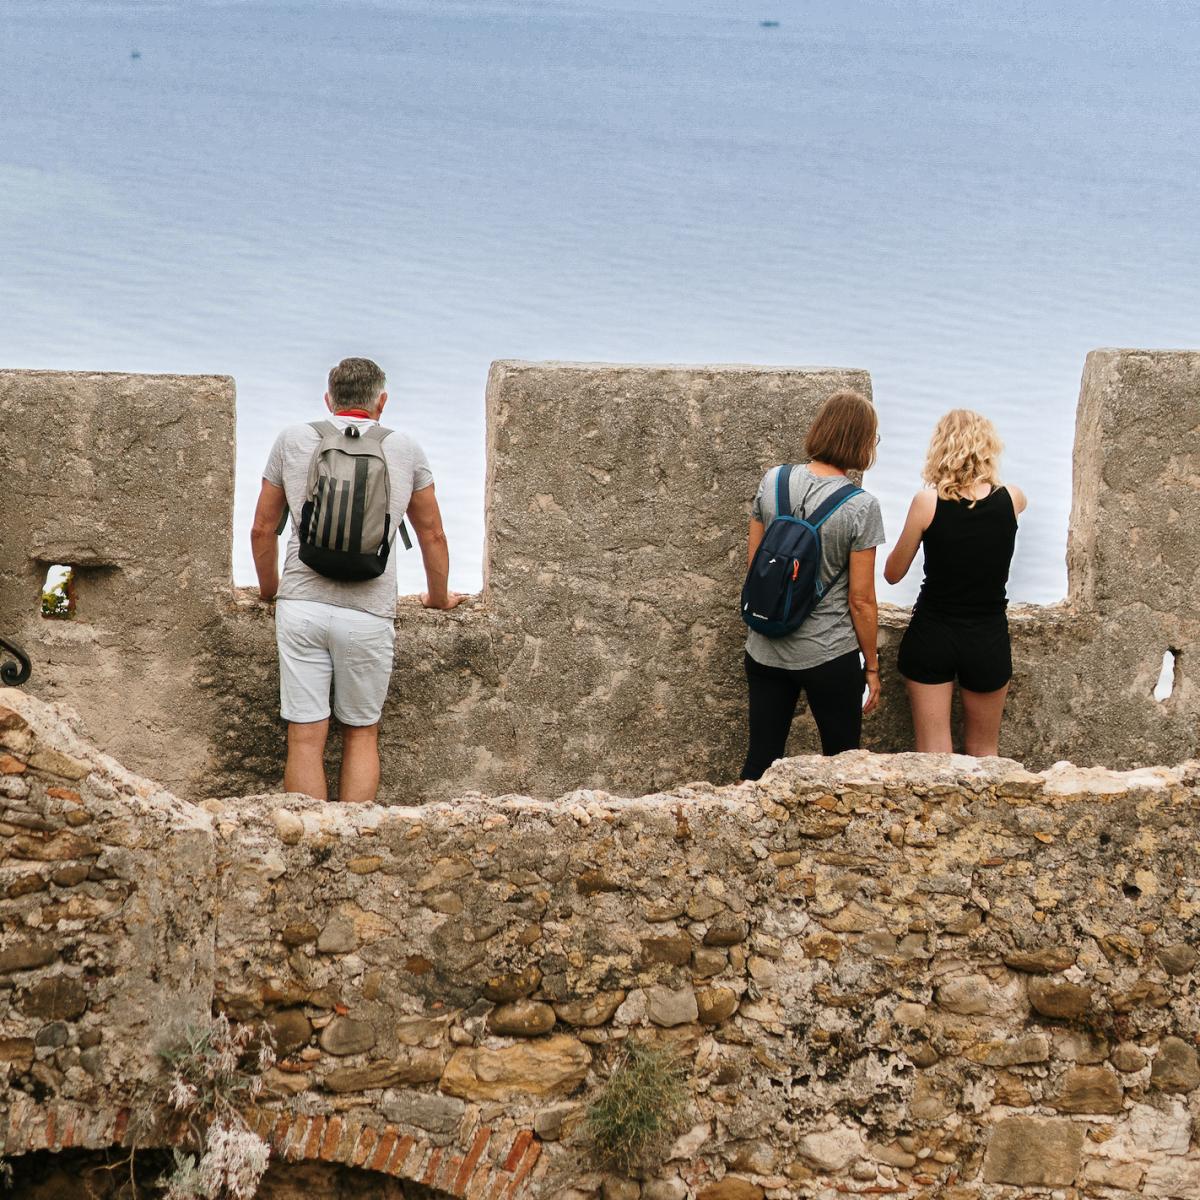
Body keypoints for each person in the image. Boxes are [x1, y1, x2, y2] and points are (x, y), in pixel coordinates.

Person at [250, 357, 463, 803]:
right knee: (361, 733)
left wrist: (272, 591)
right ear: (381, 401)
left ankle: (306, 841)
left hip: (301, 608)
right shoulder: (405, 448)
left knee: (306, 736)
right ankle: (355, 847)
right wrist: (439, 599)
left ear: (328, 400)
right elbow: (433, 535)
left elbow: (262, 530)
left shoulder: (293, 439)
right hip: (369, 613)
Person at [741, 390, 885, 780]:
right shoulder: (861, 506)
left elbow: (756, 566)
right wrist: (871, 667)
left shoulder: (773, 480)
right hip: (828, 654)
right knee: (842, 765)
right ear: (861, 443)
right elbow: (861, 600)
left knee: (760, 762)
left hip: (765, 647)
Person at [884, 409, 1027, 756]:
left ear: (940, 448)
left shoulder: (927, 502)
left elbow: (893, 574)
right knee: (984, 753)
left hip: (933, 633)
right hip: (987, 637)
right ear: (988, 448)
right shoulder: (1013, 498)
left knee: (934, 757)